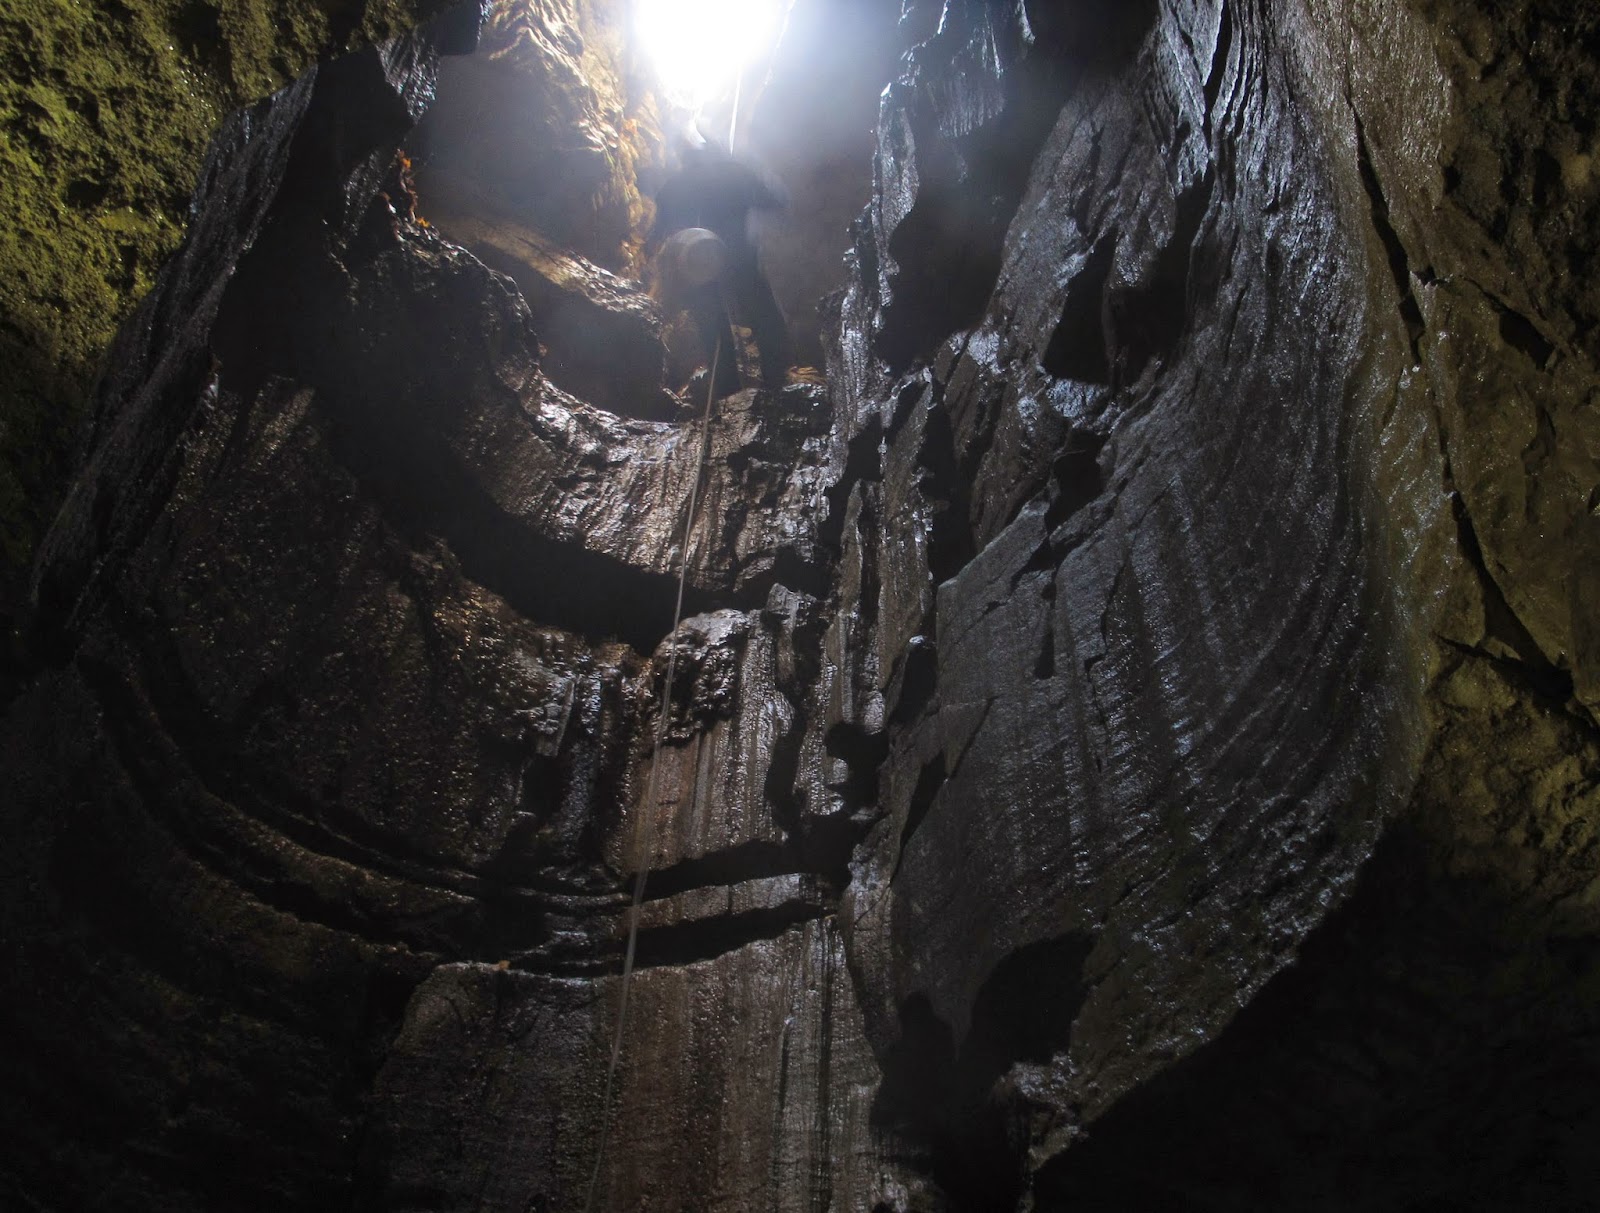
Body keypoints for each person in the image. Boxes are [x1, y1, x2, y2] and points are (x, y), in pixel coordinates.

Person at [649, 137, 792, 396]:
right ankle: (778, 387)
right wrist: (752, 168)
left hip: (698, 266)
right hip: (740, 259)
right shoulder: (735, 171)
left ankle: (727, 393)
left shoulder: (673, 187)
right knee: (765, 320)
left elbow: (659, 233)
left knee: (714, 333)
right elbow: (776, 199)